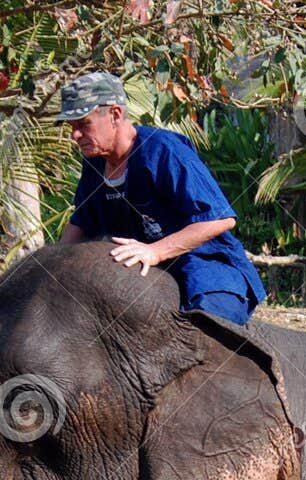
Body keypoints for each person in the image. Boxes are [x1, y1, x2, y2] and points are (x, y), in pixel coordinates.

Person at [54, 72, 266, 325]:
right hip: (141, 270)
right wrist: (56, 266)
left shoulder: (165, 150)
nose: (74, 136)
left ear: (115, 115)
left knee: (208, 328)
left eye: (83, 125)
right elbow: (81, 223)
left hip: (202, 264)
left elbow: (220, 220)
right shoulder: (94, 164)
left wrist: (155, 251)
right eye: (72, 128)